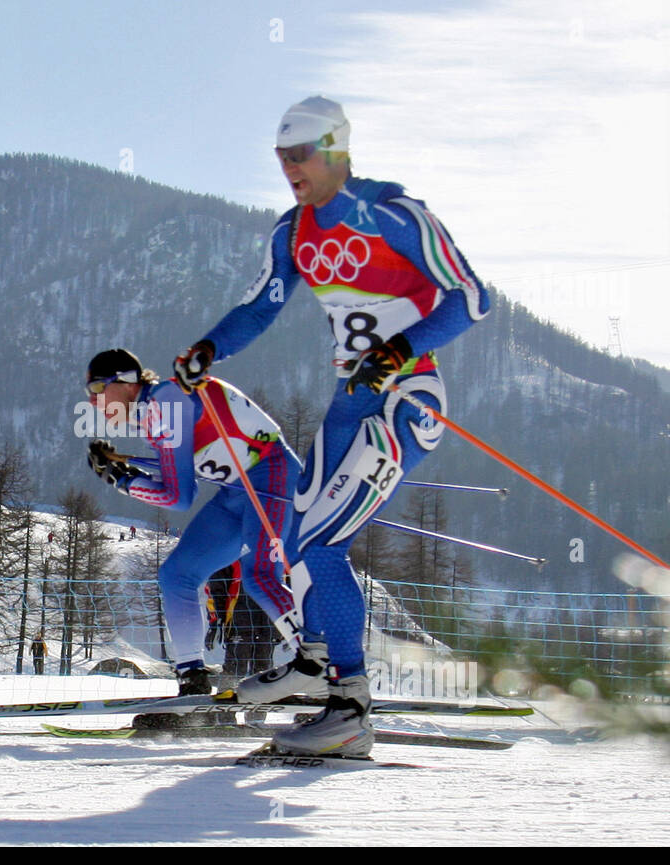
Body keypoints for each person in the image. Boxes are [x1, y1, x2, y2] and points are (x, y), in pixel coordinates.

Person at [173, 96, 490, 757]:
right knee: (296, 537)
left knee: (321, 542)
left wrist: (400, 350)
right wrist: (208, 348)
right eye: (280, 156)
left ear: (336, 149)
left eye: (301, 154)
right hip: (351, 404)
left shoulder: (395, 215)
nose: (290, 167)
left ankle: (349, 710)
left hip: (407, 400)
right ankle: (316, 662)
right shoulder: (293, 233)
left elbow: (473, 298)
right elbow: (259, 310)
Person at [83, 348, 301, 697]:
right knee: (178, 575)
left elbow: (179, 496)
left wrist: (123, 481)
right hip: (236, 492)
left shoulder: (165, 403)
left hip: (271, 480)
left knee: (260, 577)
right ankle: (192, 679)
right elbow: (185, 470)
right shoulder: (155, 410)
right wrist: (125, 471)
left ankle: (323, 664)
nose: (93, 402)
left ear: (124, 383)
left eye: (96, 390)